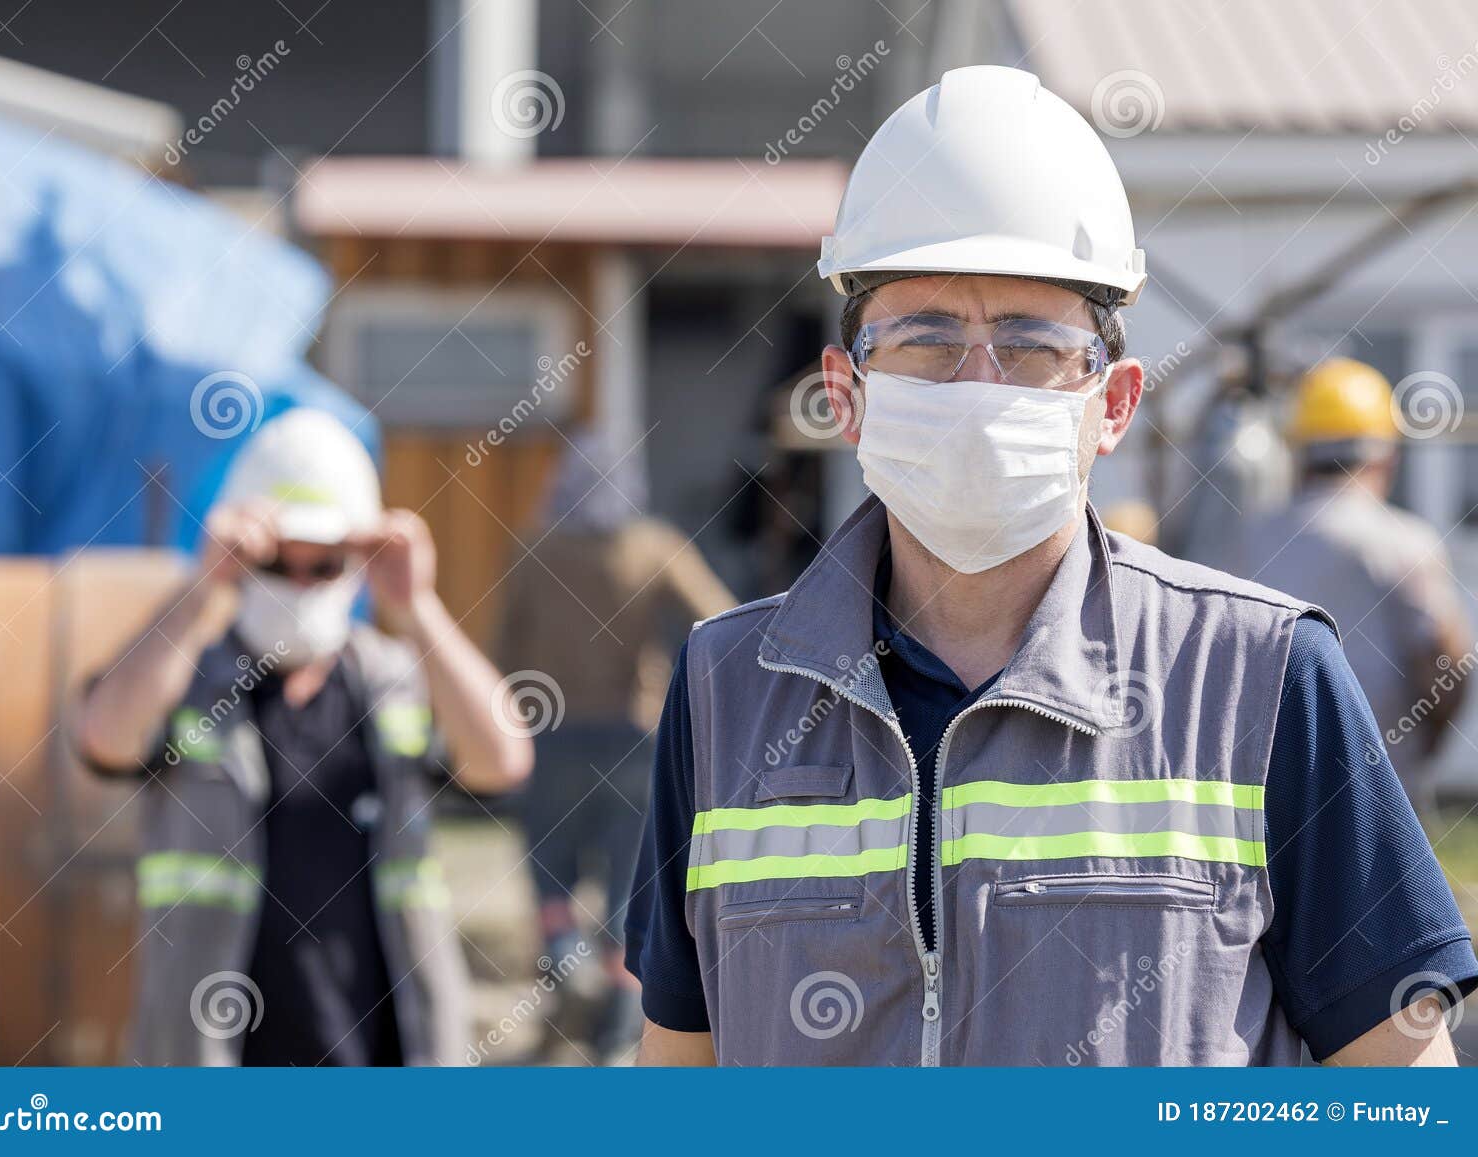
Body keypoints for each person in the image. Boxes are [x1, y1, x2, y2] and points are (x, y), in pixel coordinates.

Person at [625, 65, 1478, 1067]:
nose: (977, 385)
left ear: (1112, 402)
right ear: (844, 395)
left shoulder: (1263, 675)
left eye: (1030, 347)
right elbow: (677, 1081)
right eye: (926, 341)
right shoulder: (728, 692)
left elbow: (1399, 1095)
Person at [76, 408, 532, 1065]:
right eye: (278, 563)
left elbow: (503, 758)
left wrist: (419, 605)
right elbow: (105, 737)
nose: (300, 585)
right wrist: (203, 590)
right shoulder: (191, 679)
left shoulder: (392, 679)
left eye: (325, 566)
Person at [497, 432, 734, 1063]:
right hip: (638, 738)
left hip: (551, 733)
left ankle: (561, 963)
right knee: (634, 885)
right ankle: (614, 1032)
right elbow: (720, 620)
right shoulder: (653, 547)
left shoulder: (535, 548)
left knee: (551, 863)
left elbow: (503, 645)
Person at [1238, 358, 1472, 812]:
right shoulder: (1405, 541)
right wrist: (1425, 745)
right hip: (1383, 793)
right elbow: (1448, 663)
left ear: (1298, 451)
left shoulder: (1248, 539)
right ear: (1386, 453)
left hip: (1268, 794)